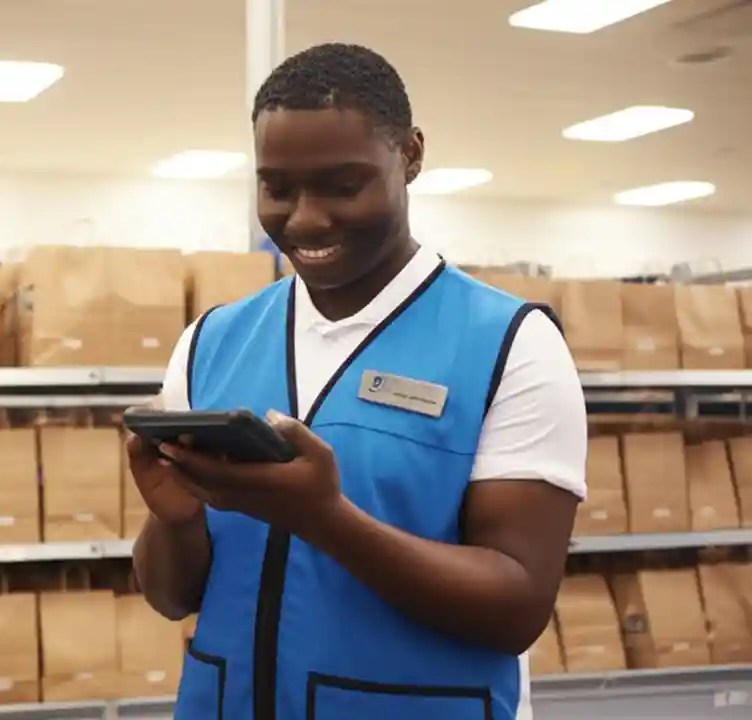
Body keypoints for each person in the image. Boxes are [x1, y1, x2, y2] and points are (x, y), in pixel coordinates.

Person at [129, 43, 586, 720]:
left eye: (344, 186)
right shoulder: (209, 344)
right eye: (277, 188)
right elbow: (174, 598)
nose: (306, 219)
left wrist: (326, 520)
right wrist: (177, 521)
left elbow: (517, 607)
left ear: (410, 156)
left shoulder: (510, 345)